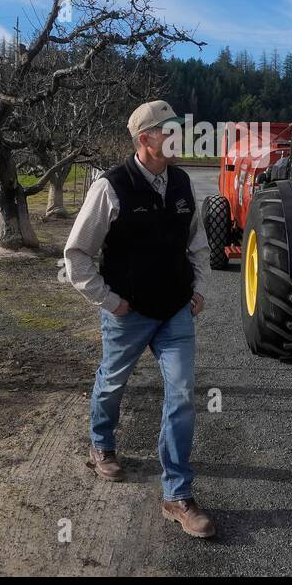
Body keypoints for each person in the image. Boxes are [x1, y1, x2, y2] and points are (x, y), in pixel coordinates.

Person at [62, 100, 216, 538]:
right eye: (169, 130)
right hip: (128, 313)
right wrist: (109, 300)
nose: (177, 137)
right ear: (145, 139)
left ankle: (177, 494)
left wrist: (200, 289)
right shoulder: (111, 187)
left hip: (175, 312)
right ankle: (102, 444)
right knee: (113, 382)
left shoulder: (182, 182)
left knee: (182, 394)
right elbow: (77, 254)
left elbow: (197, 243)